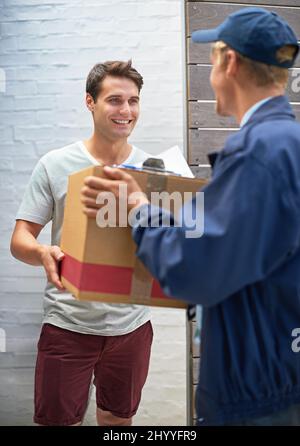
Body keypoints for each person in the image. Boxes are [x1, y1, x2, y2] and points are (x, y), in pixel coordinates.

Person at [81, 8, 300, 426]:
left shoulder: (258, 152)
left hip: (255, 398)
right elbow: (240, 245)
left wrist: (140, 212)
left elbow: (199, 268)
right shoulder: (287, 143)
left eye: (214, 60)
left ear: (228, 63)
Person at [10, 60, 153, 426]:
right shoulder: (56, 164)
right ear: (90, 102)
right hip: (68, 325)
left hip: (132, 328)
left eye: (133, 101)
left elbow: (178, 244)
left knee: (118, 422)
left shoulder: (154, 171)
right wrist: (42, 251)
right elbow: (20, 238)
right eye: (115, 100)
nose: (126, 111)